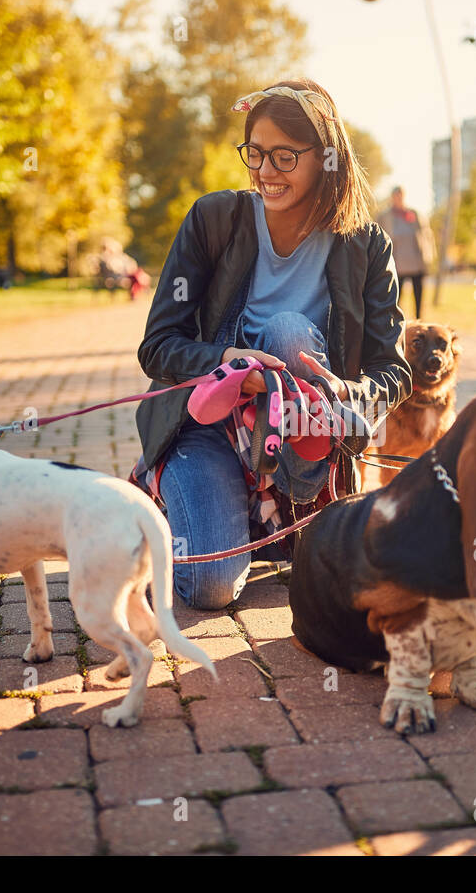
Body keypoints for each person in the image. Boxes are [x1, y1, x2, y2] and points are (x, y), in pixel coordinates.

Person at [135, 78, 411, 610]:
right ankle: (181, 498)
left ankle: (292, 504)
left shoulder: (366, 244)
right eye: (255, 153)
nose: (265, 171)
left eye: (284, 156)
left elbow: (392, 371)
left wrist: (346, 392)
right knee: (212, 588)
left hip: (303, 440)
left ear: (326, 157)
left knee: (288, 331)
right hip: (207, 428)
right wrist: (223, 360)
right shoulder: (214, 219)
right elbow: (157, 346)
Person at [378, 186, 434, 319]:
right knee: (395, 300)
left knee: (419, 298)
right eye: (396, 195)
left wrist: (428, 257)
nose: (399, 198)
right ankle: (395, 325)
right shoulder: (384, 216)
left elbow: (426, 236)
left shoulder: (415, 214)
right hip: (396, 265)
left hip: (416, 263)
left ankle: (419, 322)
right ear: (392, 197)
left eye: (401, 195)